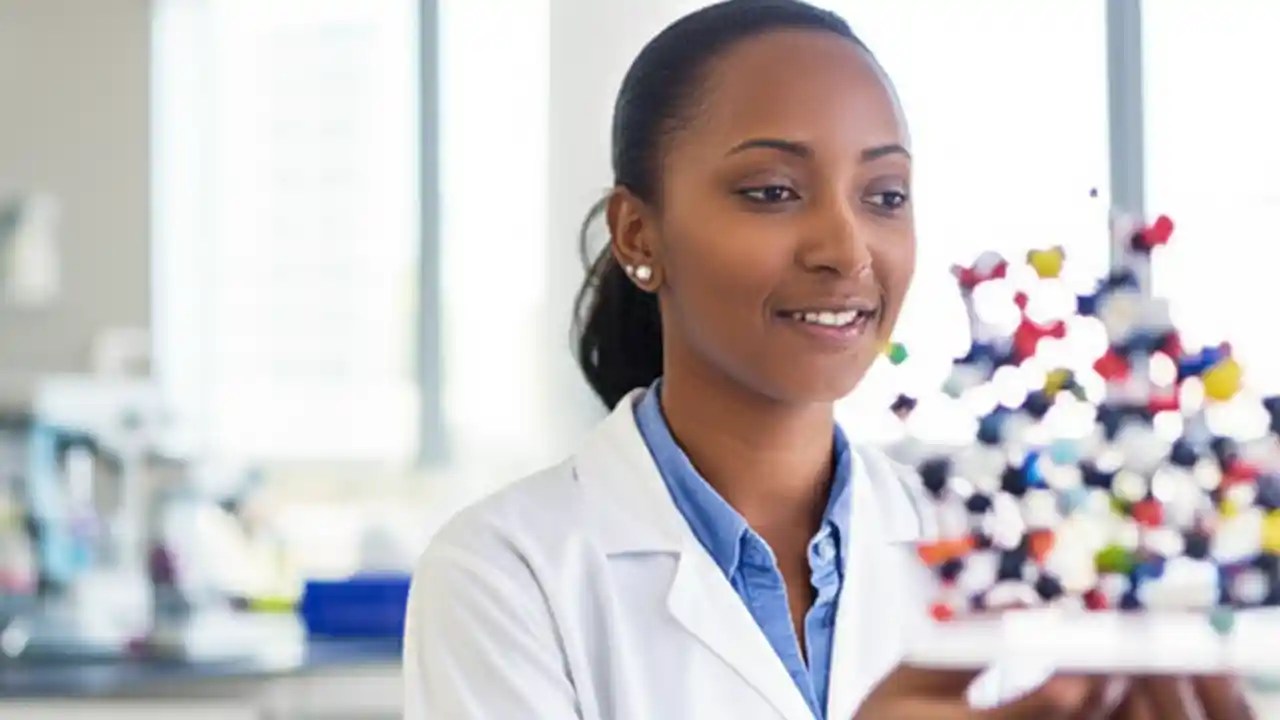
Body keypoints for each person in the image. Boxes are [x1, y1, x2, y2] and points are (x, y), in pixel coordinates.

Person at [402, 1, 1254, 718]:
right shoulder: (504, 575)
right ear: (638, 232)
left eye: (884, 196)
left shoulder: (989, 547)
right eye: (772, 192)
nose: (846, 250)